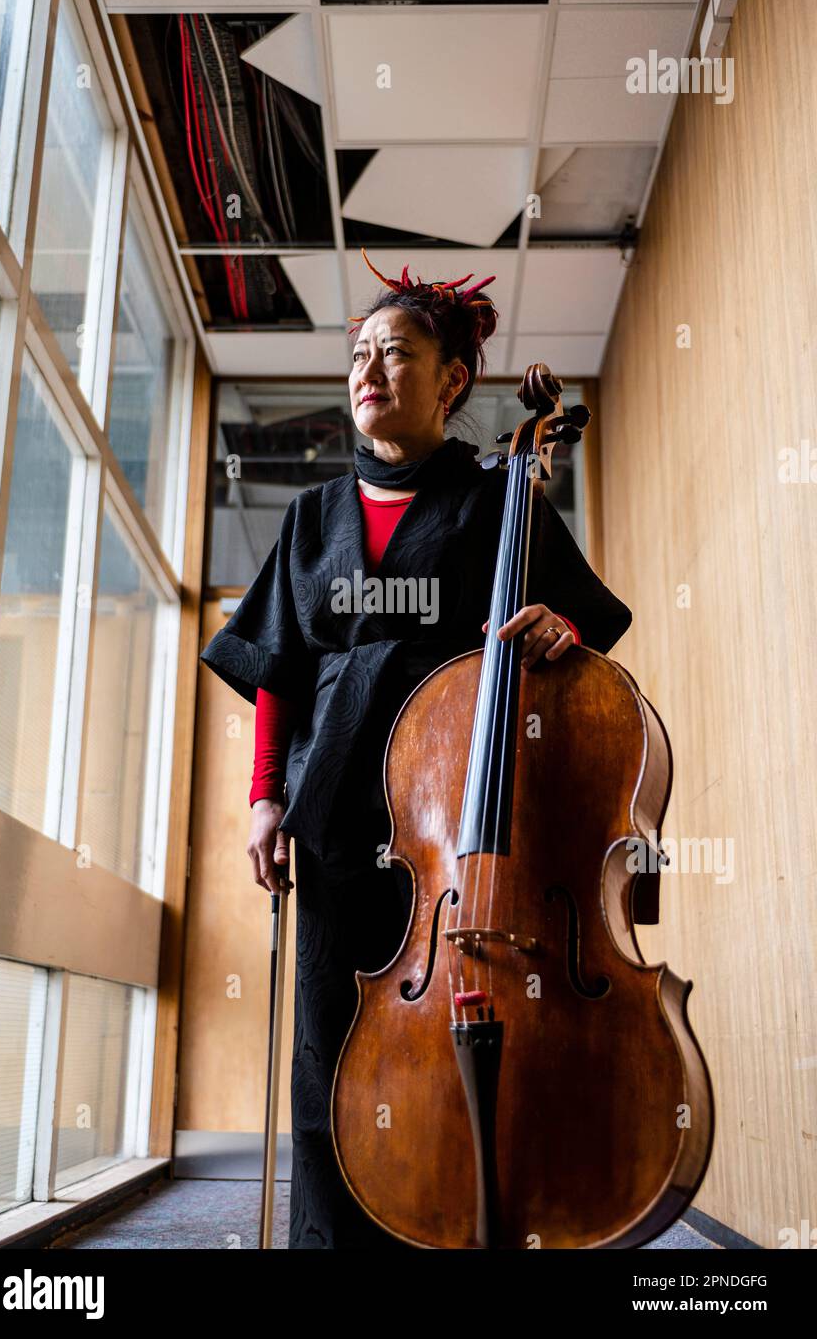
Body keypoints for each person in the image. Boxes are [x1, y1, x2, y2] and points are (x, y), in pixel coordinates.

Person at [199, 248, 633, 1249]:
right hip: (341, 825)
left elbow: (571, 643)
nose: (368, 369)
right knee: (330, 1054)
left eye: (395, 352)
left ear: (451, 380)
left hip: (466, 835)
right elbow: (280, 667)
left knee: (454, 1053)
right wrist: (265, 795)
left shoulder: (502, 499)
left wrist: (557, 641)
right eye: (358, 353)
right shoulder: (310, 519)